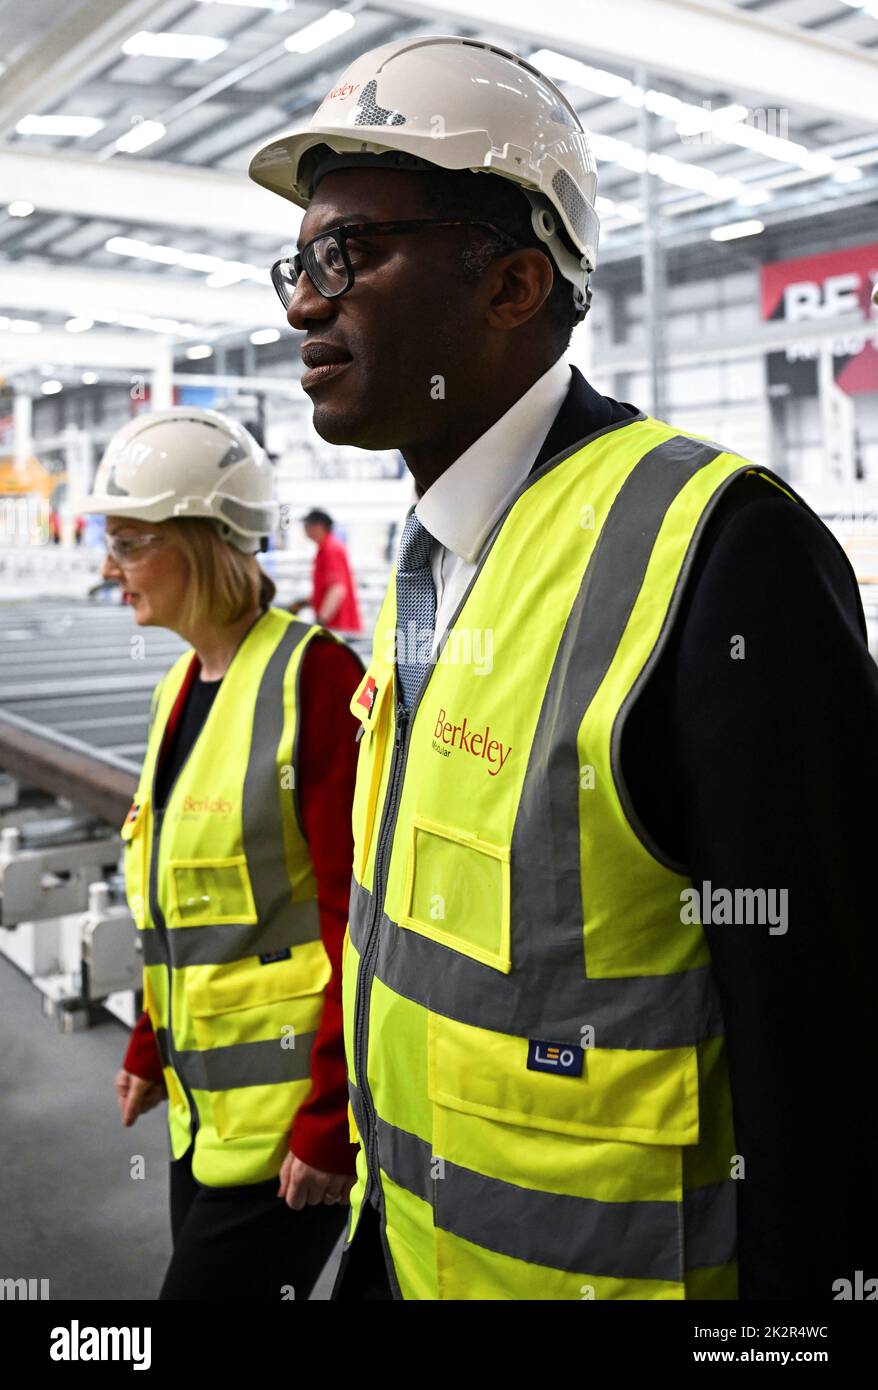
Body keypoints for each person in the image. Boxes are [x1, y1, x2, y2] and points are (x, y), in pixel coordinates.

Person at [249, 36, 878, 1300]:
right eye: (296, 263)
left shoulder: (719, 552)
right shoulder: (426, 553)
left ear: (512, 285)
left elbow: (827, 1060)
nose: (302, 304)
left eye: (348, 254)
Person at [79, 407, 364, 1301]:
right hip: (206, 1122)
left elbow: (359, 925)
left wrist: (328, 1121)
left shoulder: (315, 684)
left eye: (129, 542)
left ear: (203, 543)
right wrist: (146, 1044)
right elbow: (181, 915)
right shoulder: (181, 685)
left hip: (288, 1135)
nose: (107, 568)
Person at [291, 508, 362, 632]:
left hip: (339, 626)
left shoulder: (330, 549)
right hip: (336, 626)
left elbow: (337, 589)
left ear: (319, 526)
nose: (305, 528)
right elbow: (326, 586)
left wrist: (320, 621)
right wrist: (305, 602)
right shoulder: (325, 548)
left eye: (307, 524)